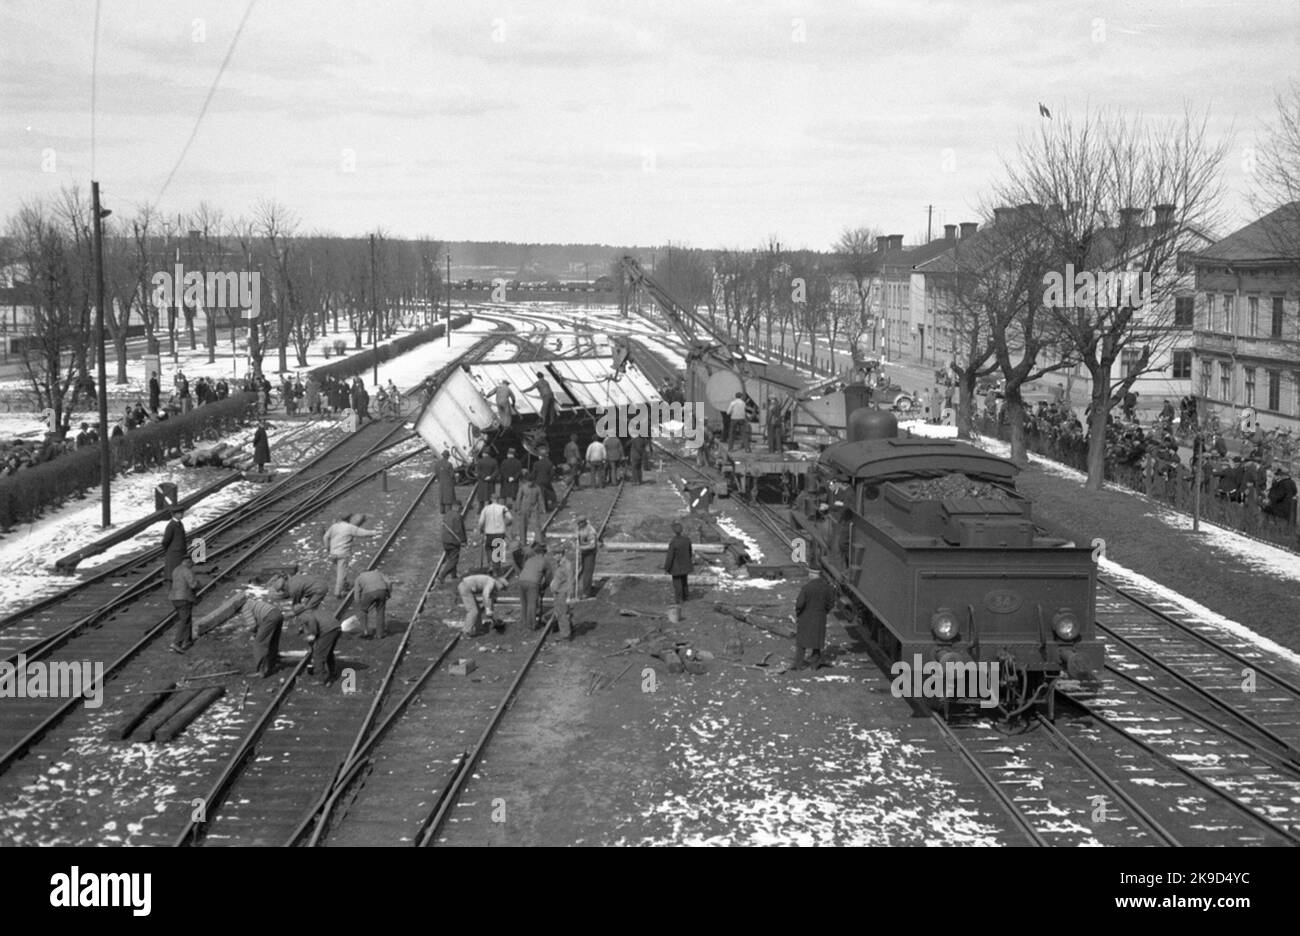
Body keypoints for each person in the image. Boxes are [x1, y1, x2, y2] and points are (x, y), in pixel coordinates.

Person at [323, 513, 382, 597]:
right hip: (342, 554)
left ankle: (344, 585)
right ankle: (338, 593)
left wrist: (328, 548)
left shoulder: (334, 526)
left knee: (338, 570)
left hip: (333, 554)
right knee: (341, 574)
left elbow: (325, 537)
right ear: (349, 519)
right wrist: (375, 532)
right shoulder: (349, 527)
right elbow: (363, 533)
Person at [792, 568, 837, 671]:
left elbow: (799, 604)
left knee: (801, 642)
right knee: (817, 642)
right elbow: (831, 603)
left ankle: (798, 665)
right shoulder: (827, 588)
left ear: (812, 575)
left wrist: (798, 613)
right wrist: (824, 612)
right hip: (820, 618)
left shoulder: (807, 588)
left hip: (806, 617)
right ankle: (815, 665)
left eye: (809, 573)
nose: (808, 575)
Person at [240, 592, 284, 679]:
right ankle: (271, 665)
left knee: (259, 643)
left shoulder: (245, 608)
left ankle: (262, 671)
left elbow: (252, 625)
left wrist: (253, 633)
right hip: (277, 613)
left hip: (270, 617)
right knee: (272, 641)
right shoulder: (252, 602)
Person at [300, 603, 341, 686]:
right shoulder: (314, 611)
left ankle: (320, 679)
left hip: (328, 631)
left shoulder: (305, 615)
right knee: (328, 653)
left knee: (318, 654)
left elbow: (312, 626)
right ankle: (332, 673)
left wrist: (311, 635)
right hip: (336, 628)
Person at [517, 542, 554, 631]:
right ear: (543, 553)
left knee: (524, 604)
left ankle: (523, 624)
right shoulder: (545, 561)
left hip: (521, 581)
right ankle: (531, 626)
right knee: (532, 604)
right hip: (533, 583)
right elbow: (549, 577)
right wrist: (544, 587)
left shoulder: (529, 560)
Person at [169, 556, 199, 653]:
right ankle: (177, 643)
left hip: (174, 598)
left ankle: (188, 640)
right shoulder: (187, 571)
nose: (192, 566)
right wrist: (199, 583)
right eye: (192, 564)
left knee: (187, 618)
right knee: (184, 621)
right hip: (184, 598)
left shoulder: (176, 570)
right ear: (188, 562)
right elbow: (193, 585)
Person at [476, 493, 513, 574]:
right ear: (498, 499)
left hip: (490, 533)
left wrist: (481, 529)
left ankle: (491, 564)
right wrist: (506, 524)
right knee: (498, 551)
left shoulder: (486, 508)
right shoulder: (502, 508)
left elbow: (481, 521)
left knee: (489, 548)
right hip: (500, 532)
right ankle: (497, 568)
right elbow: (510, 518)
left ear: (491, 499)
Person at [547, 542, 575, 640]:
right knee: (559, 613)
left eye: (555, 555)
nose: (554, 557)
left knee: (563, 614)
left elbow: (570, 581)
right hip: (557, 592)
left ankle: (566, 635)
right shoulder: (558, 564)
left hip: (563, 593)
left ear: (560, 554)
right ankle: (566, 630)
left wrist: (569, 596)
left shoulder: (567, 565)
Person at [354, 568, 392, 640]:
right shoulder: (377, 572)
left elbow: (357, 593)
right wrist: (388, 593)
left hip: (369, 593)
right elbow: (389, 582)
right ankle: (380, 634)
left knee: (363, 611)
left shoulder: (358, 578)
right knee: (380, 611)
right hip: (382, 591)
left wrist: (359, 604)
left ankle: (365, 631)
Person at [435, 500, 467, 586]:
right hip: (453, 541)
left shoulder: (447, 514)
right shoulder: (457, 516)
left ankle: (454, 576)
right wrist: (463, 541)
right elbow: (459, 530)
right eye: (460, 508)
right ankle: (442, 575)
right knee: (454, 560)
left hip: (445, 540)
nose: (461, 509)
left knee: (451, 558)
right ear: (457, 507)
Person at [664, 520, 693, 606]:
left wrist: (666, 567)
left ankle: (679, 600)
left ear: (674, 531)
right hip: (685, 565)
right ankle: (686, 597)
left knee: (677, 584)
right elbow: (690, 552)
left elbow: (670, 557)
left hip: (676, 567)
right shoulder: (687, 540)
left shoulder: (673, 542)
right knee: (684, 581)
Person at [515, 472, 544, 547]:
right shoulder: (523, 487)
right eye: (529, 481)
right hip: (524, 508)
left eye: (532, 481)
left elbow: (540, 498)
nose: (531, 483)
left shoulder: (537, 488)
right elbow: (519, 498)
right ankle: (523, 541)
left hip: (534, 508)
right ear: (527, 481)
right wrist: (518, 508)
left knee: (537, 525)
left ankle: (538, 541)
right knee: (523, 525)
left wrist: (543, 508)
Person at [162, 506, 188, 580]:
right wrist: (170, 549)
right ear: (175, 514)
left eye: (182, 513)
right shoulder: (171, 525)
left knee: (178, 573)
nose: (182, 515)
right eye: (180, 513)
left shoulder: (180, 524)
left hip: (180, 553)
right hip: (174, 553)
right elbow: (165, 540)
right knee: (173, 573)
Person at [575, 514, 598, 597]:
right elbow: (577, 536)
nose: (578, 525)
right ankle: (583, 587)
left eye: (580, 523)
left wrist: (581, 548)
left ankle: (586, 593)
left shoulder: (591, 531)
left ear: (584, 522)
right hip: (583, 552)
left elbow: (592, 545)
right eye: (578, 523)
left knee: (588, 572)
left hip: (590, 553)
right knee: (582, 570)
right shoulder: (579, 528)